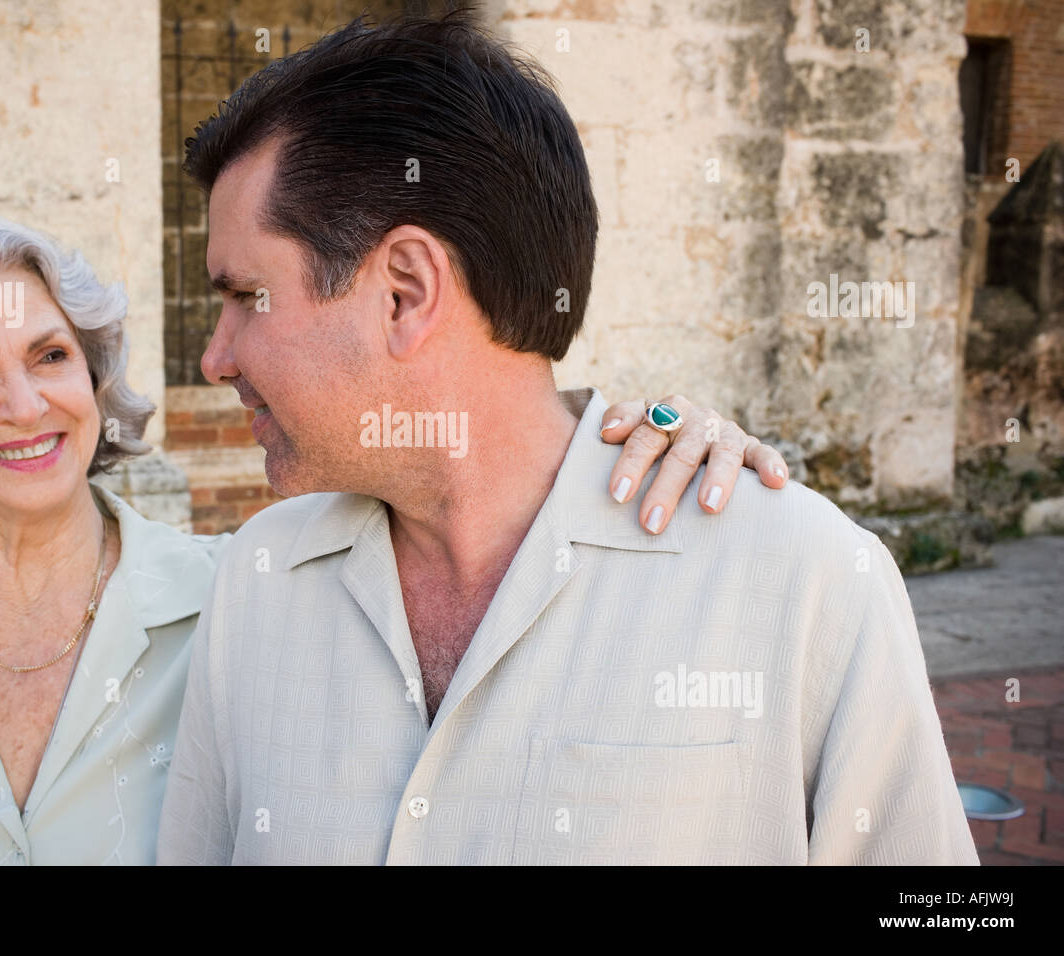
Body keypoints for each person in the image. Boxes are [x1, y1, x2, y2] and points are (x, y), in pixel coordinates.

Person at [156, 10, 978, 865]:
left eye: (246, 296)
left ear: (404, 291)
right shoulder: (255, 586)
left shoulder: (805, 582)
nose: (217, 356)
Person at [0, 214, 781, 864]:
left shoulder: (253, 600)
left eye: (50, 355)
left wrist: (652, 430)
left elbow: (471, 466)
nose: (24, 404)